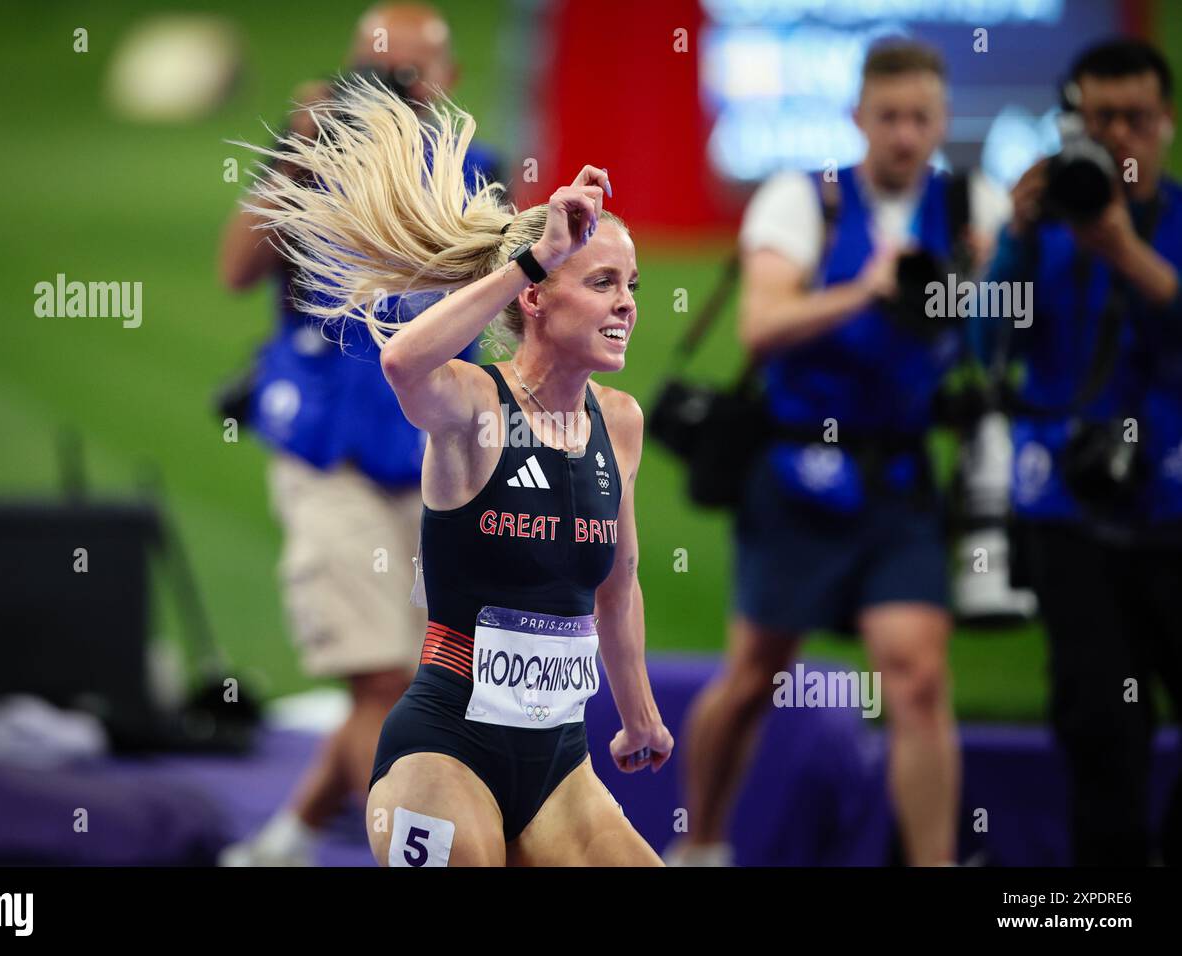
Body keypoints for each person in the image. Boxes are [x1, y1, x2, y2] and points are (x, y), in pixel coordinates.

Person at [252, 76, 674, 866]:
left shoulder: (619, 422)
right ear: (542, 300)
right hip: (443, 754)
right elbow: (403, 359)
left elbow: (619, 582)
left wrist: (640, 714)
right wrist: (530, 259)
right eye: (604, 282)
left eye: (633, 286)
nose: (628, 306)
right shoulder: (477, 407)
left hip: (560, 763)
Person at [672, 40, 1010, 867]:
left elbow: (1003, 336)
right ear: (859, 118)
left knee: (919, 676)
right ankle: (702, 846)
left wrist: (987, 274)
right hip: (796, 475)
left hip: (899, 479)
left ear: (942, 123)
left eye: (920, 119)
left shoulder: (974, 206)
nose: (903, 135)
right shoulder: (804, 201)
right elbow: (761, 324)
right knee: (753, 677)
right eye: (888, 117)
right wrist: (867, 287)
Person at [216, 2, 499, 866]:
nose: (400, 89)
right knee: (386, 683)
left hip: (434, 460)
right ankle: (412, 854)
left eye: (416, 73)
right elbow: (236, 268)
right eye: (382, 70)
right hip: (329, 454)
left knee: (433, 681)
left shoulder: (474, 177)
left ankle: (288, 839)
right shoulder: (311, 160)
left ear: (448, 82)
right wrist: (300, 153)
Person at [989, 37, 1182, 866]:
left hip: (1173, 510)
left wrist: (1124, 251)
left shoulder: (1173, 219)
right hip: (1065, 508)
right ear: (1072, 125)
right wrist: (1015, 239)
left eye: (1136, 119)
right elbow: (986, 343)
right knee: (1100, 721)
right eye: (1099, 120)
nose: (1120, 138)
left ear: (1166, 123)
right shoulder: (1047, 227)